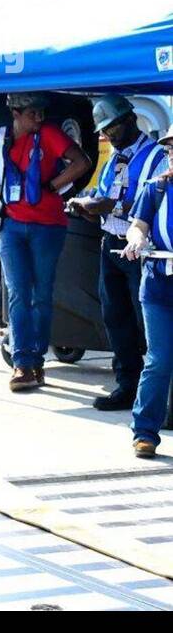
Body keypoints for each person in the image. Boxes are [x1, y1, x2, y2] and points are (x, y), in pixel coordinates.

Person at [0, 92, 91, 391]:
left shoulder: (49, 134)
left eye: (41, 112)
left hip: (48, 226)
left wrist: (52, 185)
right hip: (13, 226)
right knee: (18, 294)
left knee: (41, 296)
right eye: (32, 113)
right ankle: (23, 363)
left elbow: (82, 161)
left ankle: (35, 361)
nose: (39, 118)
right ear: (15, 112)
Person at [67, 94, 165, 410]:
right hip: (111, 244)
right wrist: (88, 207)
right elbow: (102, 195)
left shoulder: (156, 156)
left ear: (128, 121)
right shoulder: (113, 158)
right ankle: (126, 385)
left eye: (111, 128)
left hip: (141, 250)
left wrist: (108, 206)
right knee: (116, 318)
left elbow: (152, 202)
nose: (107, 135)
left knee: (147, 321)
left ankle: (158, 394)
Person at [120, 123, 173, 457]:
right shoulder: (155, 189)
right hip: (158, 286)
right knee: (159, 360)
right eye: (170, 149)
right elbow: (136, 228)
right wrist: (136, 241)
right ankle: (145, 432)